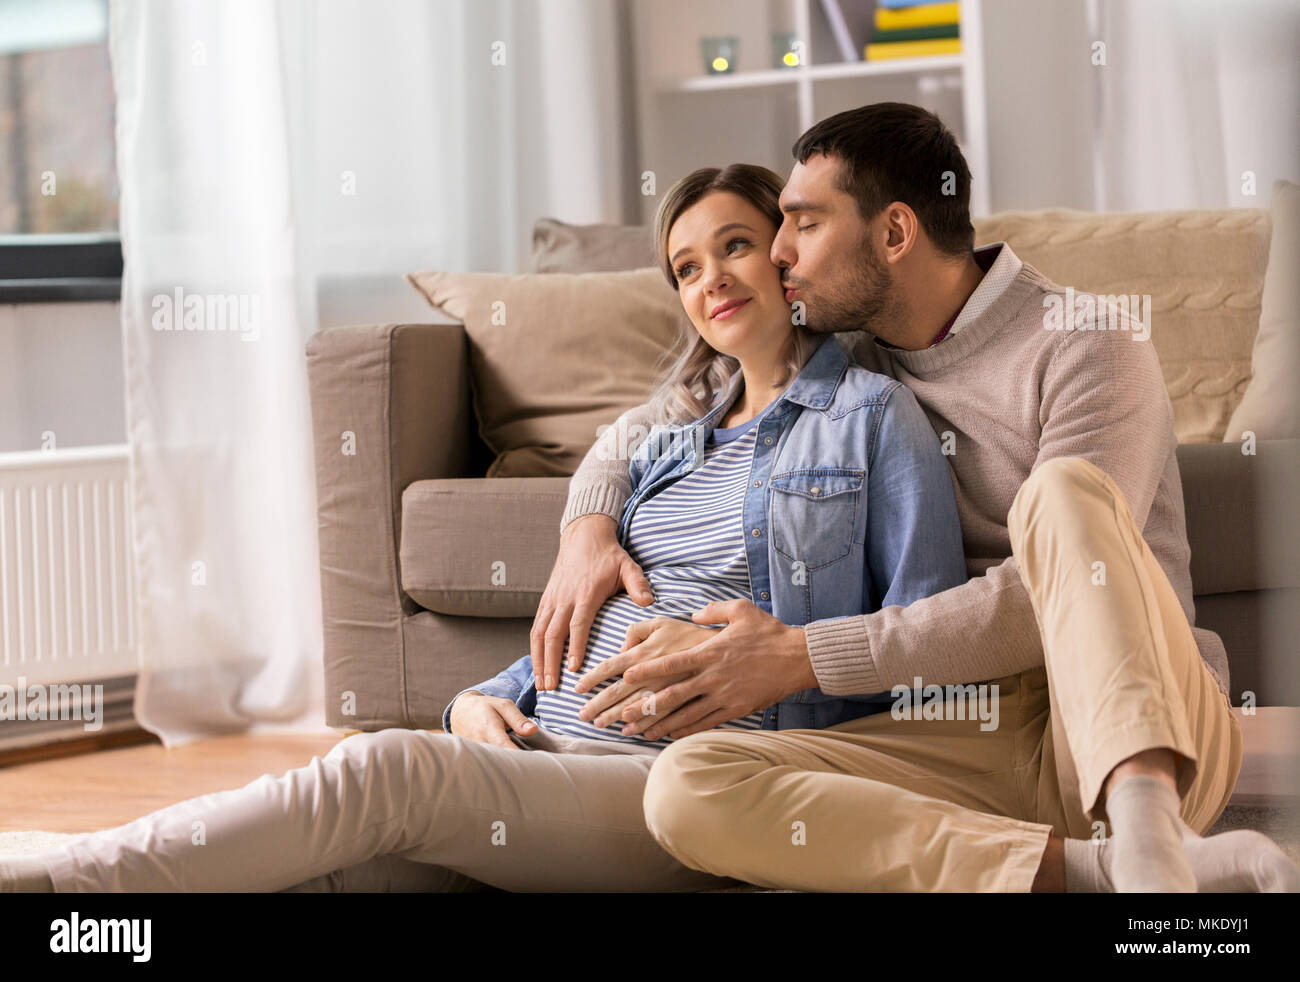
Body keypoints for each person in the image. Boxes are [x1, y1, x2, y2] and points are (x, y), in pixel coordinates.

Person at [0, 162, 966, 894]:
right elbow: (581, 632)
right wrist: (474, 702)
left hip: (683, 779)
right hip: (535, 745)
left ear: (787, 256)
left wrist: (789, 668)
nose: (711, 277)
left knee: (379, 770)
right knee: (339, 872)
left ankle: (68, 883)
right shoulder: (667, 449)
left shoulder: (873, 420)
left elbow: (920, 651)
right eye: (685, 267)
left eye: (736, 245)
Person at [547, 102, 1300, 893]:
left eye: (803, 224)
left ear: (895, 234)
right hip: (961, 728)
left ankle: (1148, 834)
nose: (778, 251)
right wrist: (587, 528)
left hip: (1131, 719)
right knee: (688, 786)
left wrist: (800, 658)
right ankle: (1092, 871)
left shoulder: (1088, 344)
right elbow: (644, 426)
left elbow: (1043, 600)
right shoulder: (846, 355)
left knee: (1063, 495)